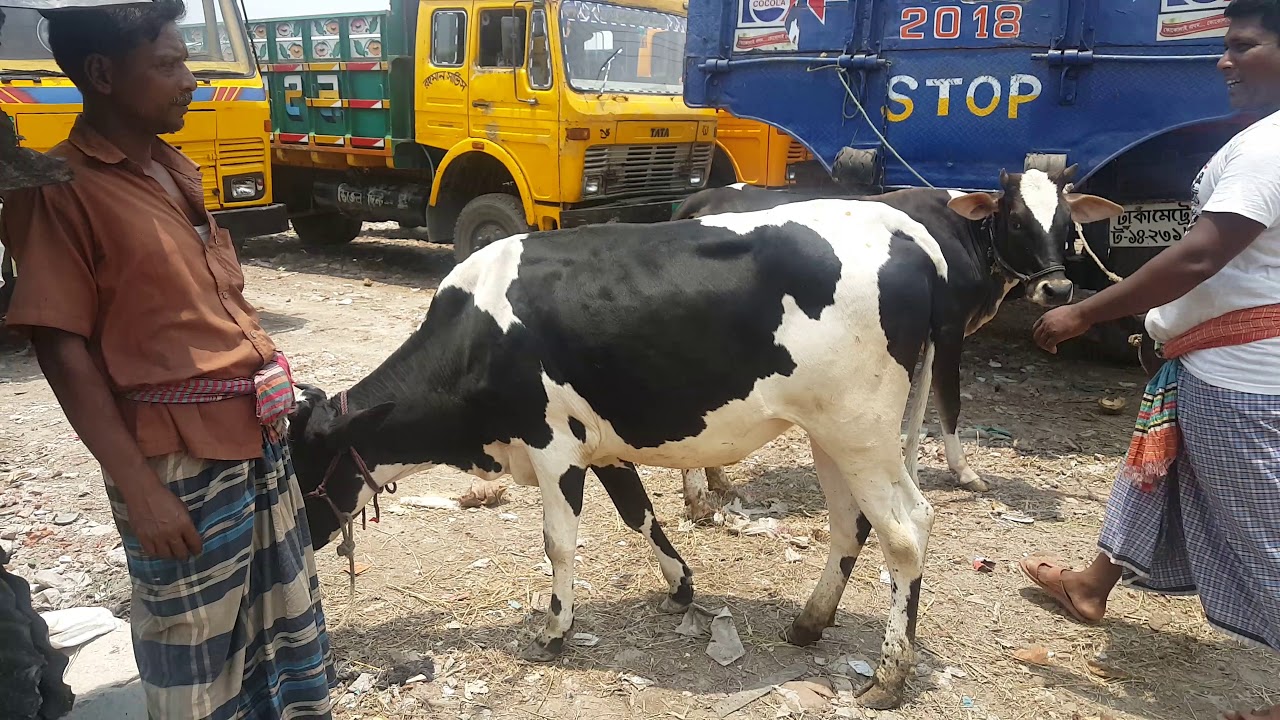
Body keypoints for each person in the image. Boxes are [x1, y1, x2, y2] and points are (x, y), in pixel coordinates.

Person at [0, 2, 335, 717]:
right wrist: (141, 491)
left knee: (275, 633)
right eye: (168, 64)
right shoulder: (59, 189)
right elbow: (62, 349)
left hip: (254, 444)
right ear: (102, 74)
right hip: (177, 466)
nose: (190, 80)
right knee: (195, 656)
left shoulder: (169, 169)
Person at [1021, 1, 1280, 718]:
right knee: (1153, 472)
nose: (1224, 60)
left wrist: (1084, 310)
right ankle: (1090, 584)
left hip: (1243, 378)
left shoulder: (1268, 148)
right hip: (1224, 364)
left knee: (1266, 540)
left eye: (1244, 46)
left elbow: (1200, 253)